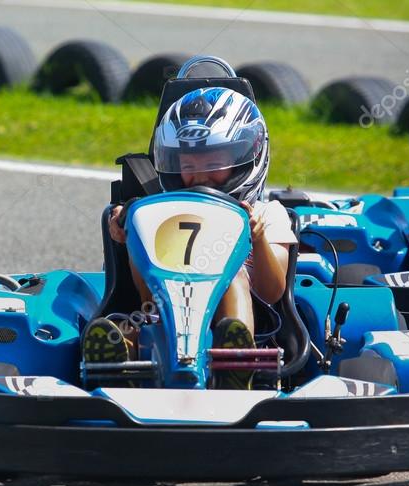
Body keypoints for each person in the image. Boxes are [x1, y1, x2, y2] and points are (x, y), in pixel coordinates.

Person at [81, 87, 297, 389]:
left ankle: (235, 362)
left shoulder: (266, 213)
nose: (199, 177)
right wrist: (123, 222)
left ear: (248, 156)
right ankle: (124, 361)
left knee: (232, 277)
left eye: (212, 164)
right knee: (124, 320)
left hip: (250, 329)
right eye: (188, 166)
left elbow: (272, 291)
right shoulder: (160, 211)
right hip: (159, 310)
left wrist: (258, 238)